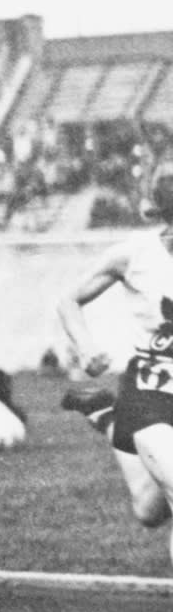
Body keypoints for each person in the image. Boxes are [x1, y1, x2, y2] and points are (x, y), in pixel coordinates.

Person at [58, 165, 173, 564]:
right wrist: (86, 347)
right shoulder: (134, 254)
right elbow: (69, 300)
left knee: (149, 510)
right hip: (151, 393)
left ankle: (107, 416)